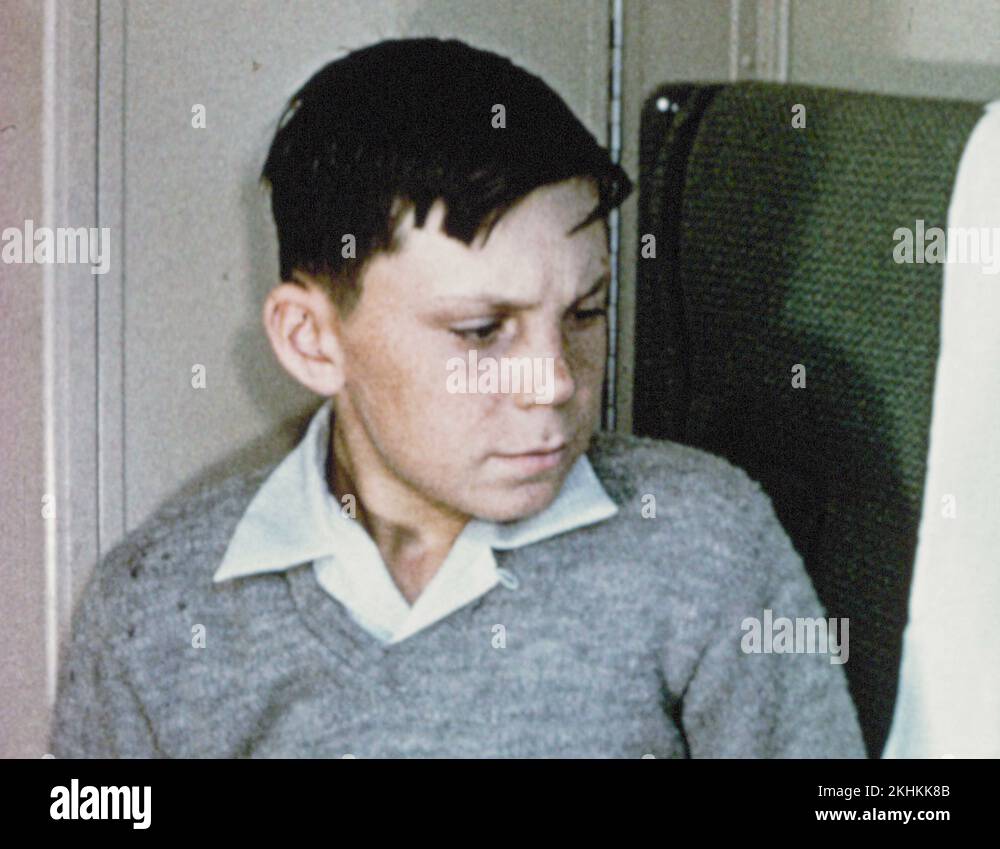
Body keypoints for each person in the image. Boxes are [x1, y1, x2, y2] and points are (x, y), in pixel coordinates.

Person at [49, 37, 865, 758]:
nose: (554, 381)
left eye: (585, 313)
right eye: (480, 330)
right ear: (312, 339)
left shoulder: (705, 542)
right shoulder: (154, 612)